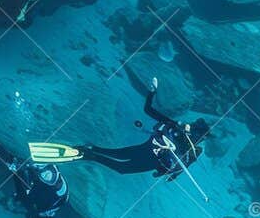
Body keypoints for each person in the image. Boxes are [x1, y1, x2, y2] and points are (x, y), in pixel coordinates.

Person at [76, 77, 208, 180]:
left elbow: (148, 109)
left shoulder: (176, 128)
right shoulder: (194, 151)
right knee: (122, 167)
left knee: (121, 156)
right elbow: (178, 170)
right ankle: (91, 154)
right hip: (155, 160)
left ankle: (91, 150)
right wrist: (164, 174)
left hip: (150, 149)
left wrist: (152, 92)